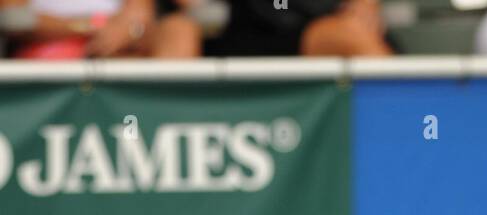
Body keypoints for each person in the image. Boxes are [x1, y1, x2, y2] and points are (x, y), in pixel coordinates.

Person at [202, 0, 399, 59]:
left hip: (337, 20)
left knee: (354, 32)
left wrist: (365, 4)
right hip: (261, 32)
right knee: (349, 36)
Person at [0, 0, 200, 58]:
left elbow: (141, 17)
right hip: (48, 47)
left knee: (180, 30)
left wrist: (128, 31)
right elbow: (14, 18)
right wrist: (88, 26)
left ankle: (163, 121)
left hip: (116, 47)